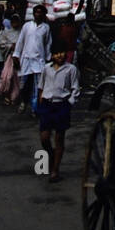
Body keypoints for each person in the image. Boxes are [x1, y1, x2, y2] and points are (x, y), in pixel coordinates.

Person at [37, 39, 81, 183]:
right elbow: (41, 87)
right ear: (52, 55)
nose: (60, 56)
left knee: (59, 138)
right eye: (57, 53)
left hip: (62, 105)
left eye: (62, 53)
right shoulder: (46, 68)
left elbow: (75, 89)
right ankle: (50, 155)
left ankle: (55, 170)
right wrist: (40, 102)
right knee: (44, 137)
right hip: (47, 105)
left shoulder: (71, 69)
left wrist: (70, 102)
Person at [13, 4, 52, 115]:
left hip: (39, 61)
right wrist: (16, 55)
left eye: (40, 12)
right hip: (26, 59)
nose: (38, 14)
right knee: (23, 85)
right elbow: (20, 41)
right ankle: (24, 102)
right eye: (36, 12)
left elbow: (48, 44)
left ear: (44, 14)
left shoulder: (46, 28)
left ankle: (35, 108)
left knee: (37, 87)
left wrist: (48, 59)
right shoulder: (27, 26)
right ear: (33, 14)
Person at [0, 13, 23, 104]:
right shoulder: (6, 33)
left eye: (16, 21)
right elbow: (2, 45)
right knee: (6, 76)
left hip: (20, 58)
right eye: (13, 21)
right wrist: (10, 46)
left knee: (17, 78)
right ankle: (6, 95)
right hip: (10, 57)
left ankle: (14, 97)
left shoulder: (22, 32)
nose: (14, 23)